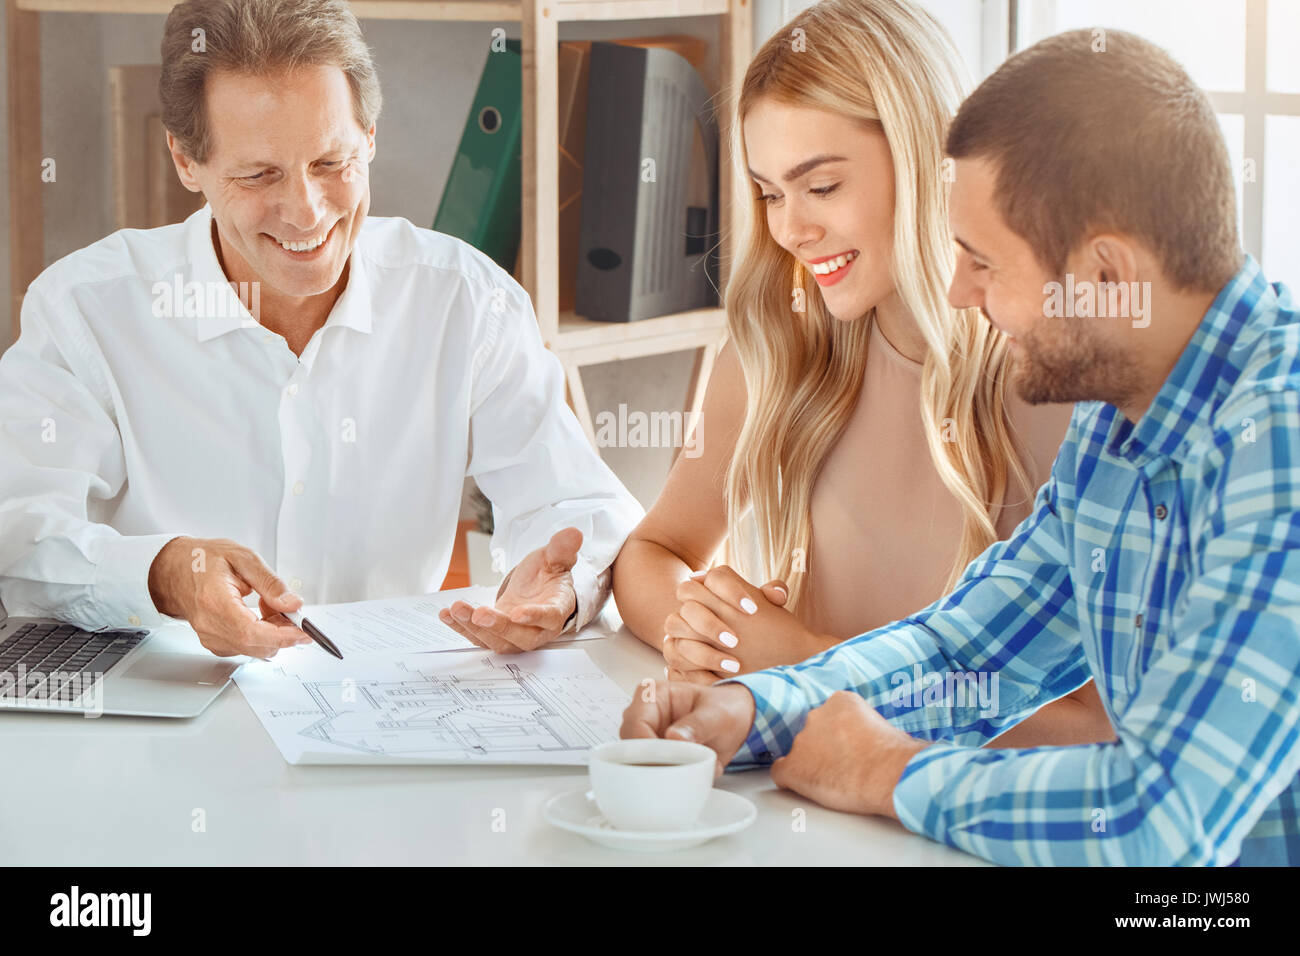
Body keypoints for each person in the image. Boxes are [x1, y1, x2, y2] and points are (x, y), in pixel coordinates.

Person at [622, 27, 1300, 866]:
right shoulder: (1118, 418)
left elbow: (1158, 820)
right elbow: (971, 647)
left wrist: (891, 773)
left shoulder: (1282, 446)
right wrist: (756, 709)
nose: (956, 289)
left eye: (984, 262)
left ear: (1105, 274)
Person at [0, 0, 642, 660]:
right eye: (259, 174)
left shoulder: (464, 300)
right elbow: (16, 532)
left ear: (369, 135)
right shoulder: (88, 309)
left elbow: (579, 504)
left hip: (391, 715)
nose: (306, 211)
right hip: (164, 722)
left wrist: (558, 592)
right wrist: (164, 575)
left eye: (332, 163)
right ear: (187, 162)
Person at [611, 0, 1112, 746]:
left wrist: (808, 669)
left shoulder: (1060, 381)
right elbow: (653, 554)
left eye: (821, 187)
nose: (789, 229)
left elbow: (1096, 728)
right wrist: (704, 629)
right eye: (769, 193)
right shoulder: (777, 345)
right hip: (806, 793)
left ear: (926, 160)